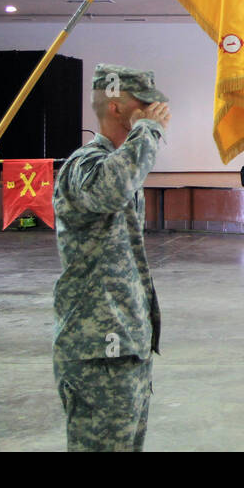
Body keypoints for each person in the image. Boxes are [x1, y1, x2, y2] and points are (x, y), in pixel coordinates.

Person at [53, 64, 171, 451]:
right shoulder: (84, 165)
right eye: (146, 106)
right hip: (97, 349)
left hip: (126, 344)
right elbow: (111, 189)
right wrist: (148, 132)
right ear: (118, 108)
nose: (157, 112)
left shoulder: (118, 162)